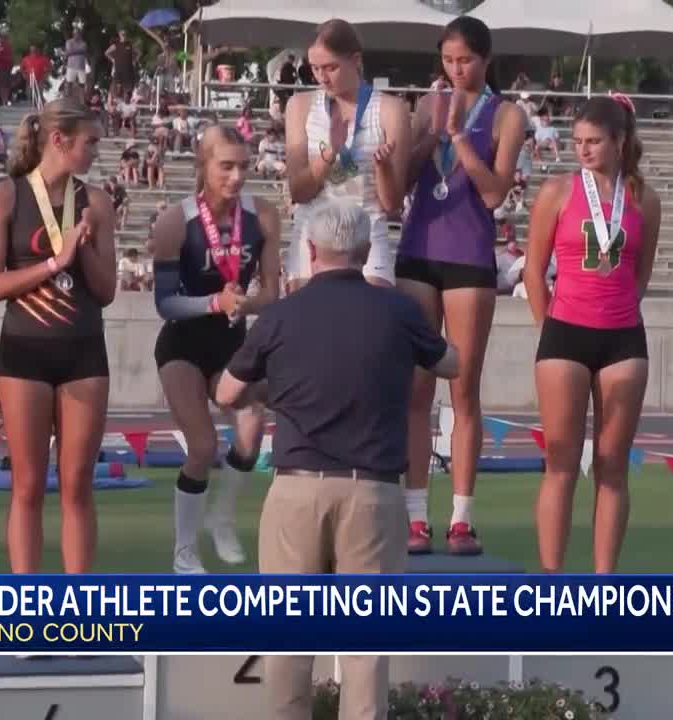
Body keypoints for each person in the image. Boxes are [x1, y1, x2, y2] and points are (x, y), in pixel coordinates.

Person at [213, 200, 459, 720]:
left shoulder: (280, 314)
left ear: (309, 249)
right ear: (367, 252)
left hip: (298, 487)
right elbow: (452, 364)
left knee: (289, 644)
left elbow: (228, 392)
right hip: (372, 490)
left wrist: (272, 388)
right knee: (365, 651)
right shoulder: (398, 311)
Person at [397, 16, 526, 556]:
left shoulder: (507, 114)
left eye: (466, 60)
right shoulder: (426, 105)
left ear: (485, 60)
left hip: (470, 257)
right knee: (416, 392)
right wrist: (431, 135)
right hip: (417, 253)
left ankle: (461, 519)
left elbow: (495, 193)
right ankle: (415, 517)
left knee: (463, 388)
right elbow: (399, 184)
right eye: (448, 60)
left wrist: (458, 137)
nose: (456, 70)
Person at [0, 97, 116, 577]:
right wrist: (53, 263)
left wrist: (86, 247)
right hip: (23, 354)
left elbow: (106, 290)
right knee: (28, 485)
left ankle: (77, 607)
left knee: (77, 483)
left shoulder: (95, 201)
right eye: (90, 142)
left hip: (83, 352)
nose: (97, 150)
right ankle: (27, 608)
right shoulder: (5, 197)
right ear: (60, 140)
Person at [522, 95, 661, 573]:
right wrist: (550, 327)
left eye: (594, 141)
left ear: (620, 142)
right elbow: (533, 272)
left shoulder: (644, 198)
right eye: (578, 141)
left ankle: (604, 581)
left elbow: (641, 274)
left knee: (612, 465)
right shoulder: (557, 192)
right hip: (565, 335)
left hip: (623, 337)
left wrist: (617, 309)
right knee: (560, 463)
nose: (583, 149)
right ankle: (551, 579)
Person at [150, 126, 281, 574]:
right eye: (226, 166)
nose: (237, 175)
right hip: (183, 343)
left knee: (251, 431)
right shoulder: (175, 221)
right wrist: (214, 301)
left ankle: (222, 518)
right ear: (203, 167)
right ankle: (184, 552)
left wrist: (247, 302)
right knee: (202, 445)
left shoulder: (262, 215)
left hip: (231, 341)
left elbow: (272, 293)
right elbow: (164, 302)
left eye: (244, 165)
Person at [283, 19, 410, 291]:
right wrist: (329, 153)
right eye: (315, 68)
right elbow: (299, 192)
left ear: (355, 60)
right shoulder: (300, 105)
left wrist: (383, 167)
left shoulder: (390, 108)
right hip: (314, 225)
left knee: (369, 314)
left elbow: (392, 204)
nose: (322, 78)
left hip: (366, 226)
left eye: (331, 67)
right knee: (303, 317)